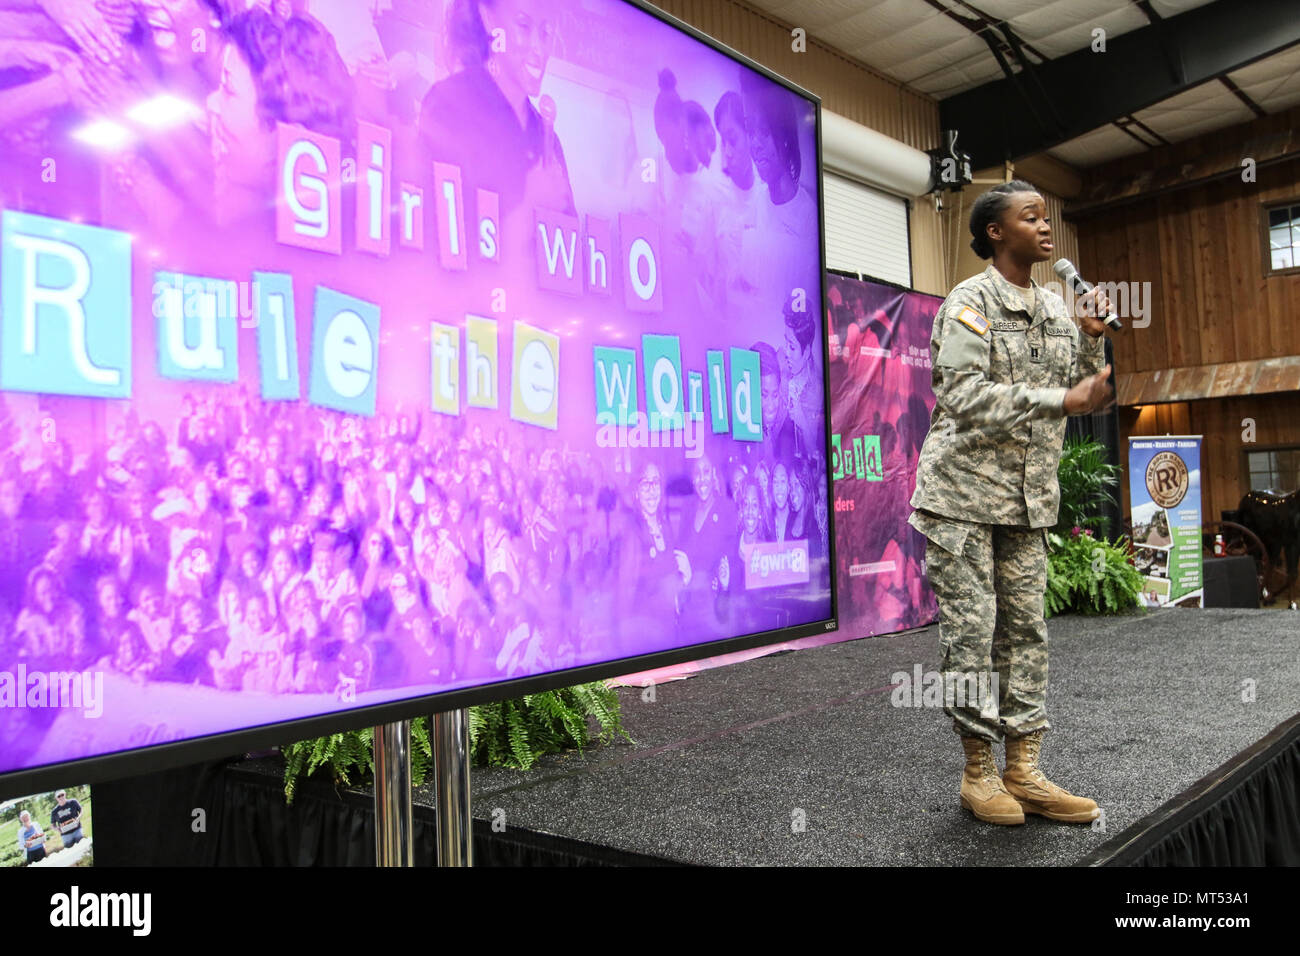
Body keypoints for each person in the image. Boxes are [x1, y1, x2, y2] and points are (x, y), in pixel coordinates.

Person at [906, 180, 1114, 826]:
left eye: (1047, 218)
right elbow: (964, 395)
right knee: (972, 633)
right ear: (996, 232)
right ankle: (978, 772)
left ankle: (1024, 771)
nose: (1045, 228)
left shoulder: (1053, 308)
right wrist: (1062, 401)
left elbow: (1078, 384)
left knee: (1026, 632)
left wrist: (1091, 337)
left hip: (1025, 500)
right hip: (962, 497)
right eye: (1031, 218)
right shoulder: (970, 304)